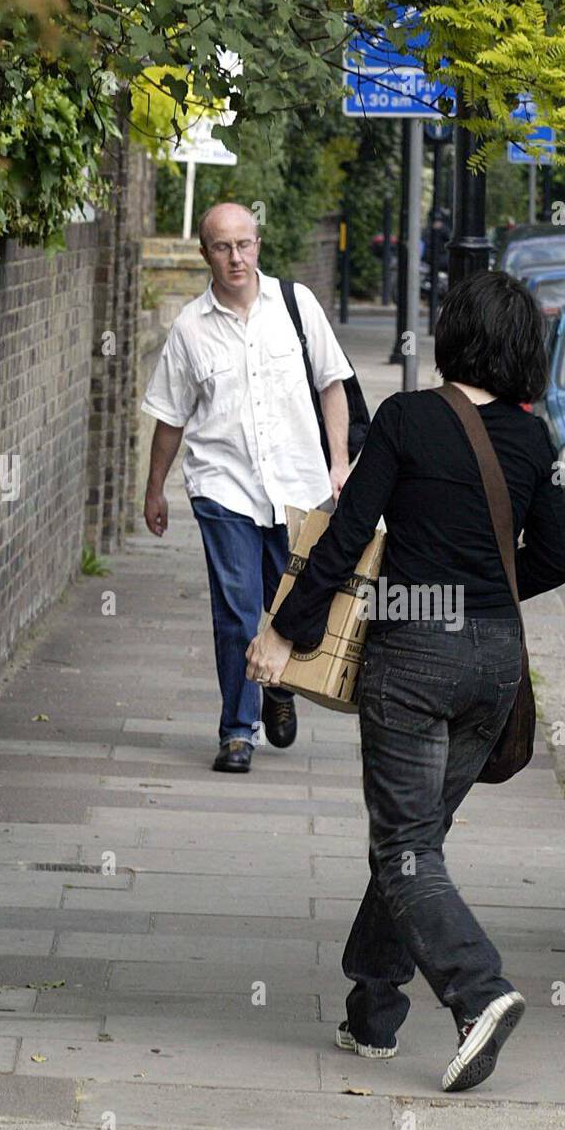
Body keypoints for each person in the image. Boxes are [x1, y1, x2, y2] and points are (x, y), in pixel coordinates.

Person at [245, 270, 565, 1093]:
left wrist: (284, 635)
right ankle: (372, 1013)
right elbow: (557, 560)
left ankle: (479, 992)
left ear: (452, 335)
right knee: (414, 845)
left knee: (402, 846)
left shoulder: (404, 419)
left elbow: (347, 534)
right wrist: (484, 595)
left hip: (413, 662)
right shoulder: (535, 440)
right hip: (494, 663)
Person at [140, 203, 354, 774]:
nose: (236, 257)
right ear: (205, 254)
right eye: (221, 247)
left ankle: (278, 687)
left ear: (258, 243)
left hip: (296, 487)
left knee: (290, 606)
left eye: (244, 244)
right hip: (223, 489)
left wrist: (339, 463)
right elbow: (170, 417)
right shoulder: (189, 328)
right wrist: (154, 489)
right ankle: (238, 730)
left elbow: (333, 384)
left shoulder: (296, 305)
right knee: (237, 612)